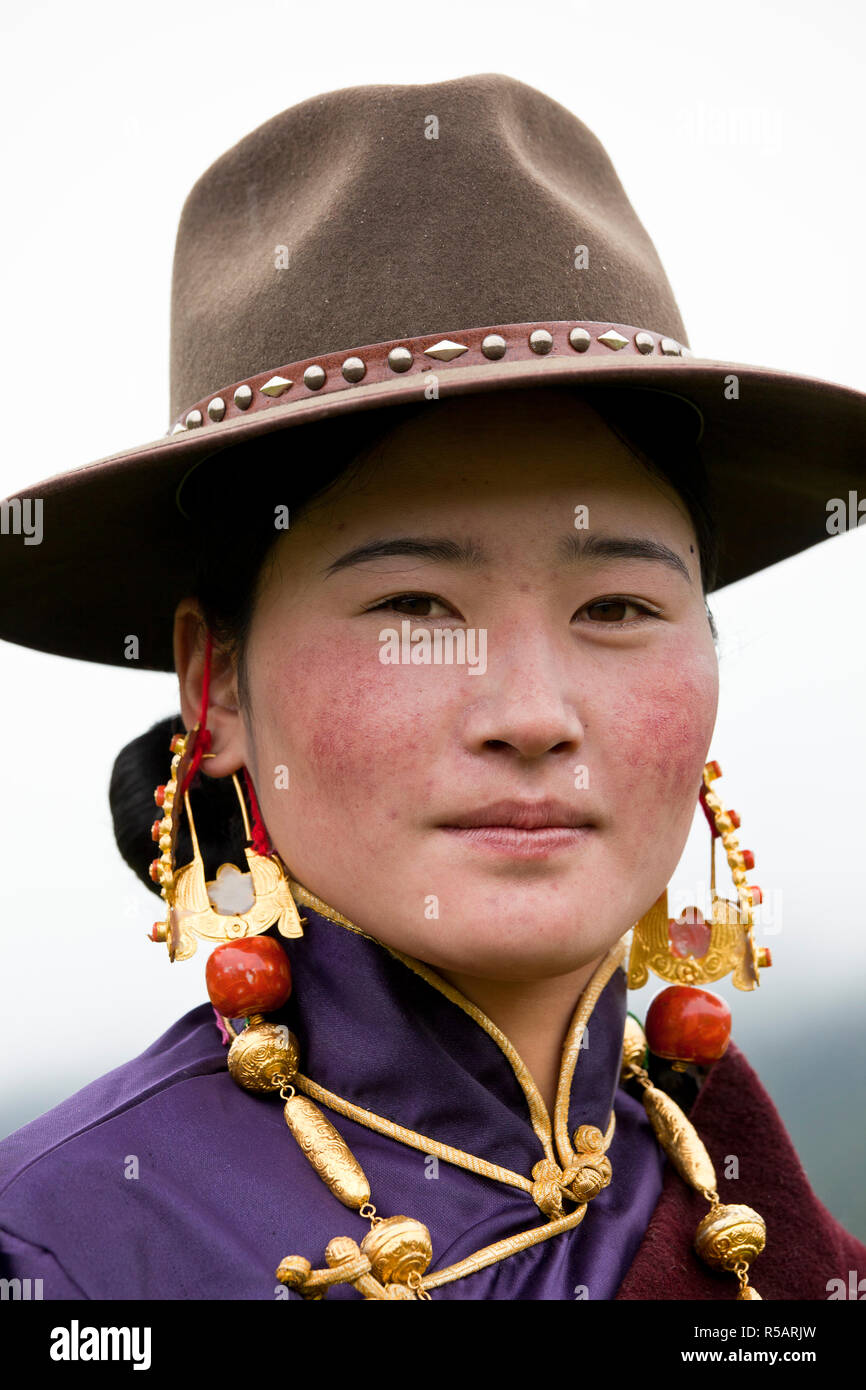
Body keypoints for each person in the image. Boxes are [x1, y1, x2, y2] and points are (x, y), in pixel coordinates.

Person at [0, 72, 864, 1301]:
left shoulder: (766, 1233)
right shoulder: (66, 1255)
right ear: (216, 685)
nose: (530, 715)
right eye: (415, 608)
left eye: (615, 609)